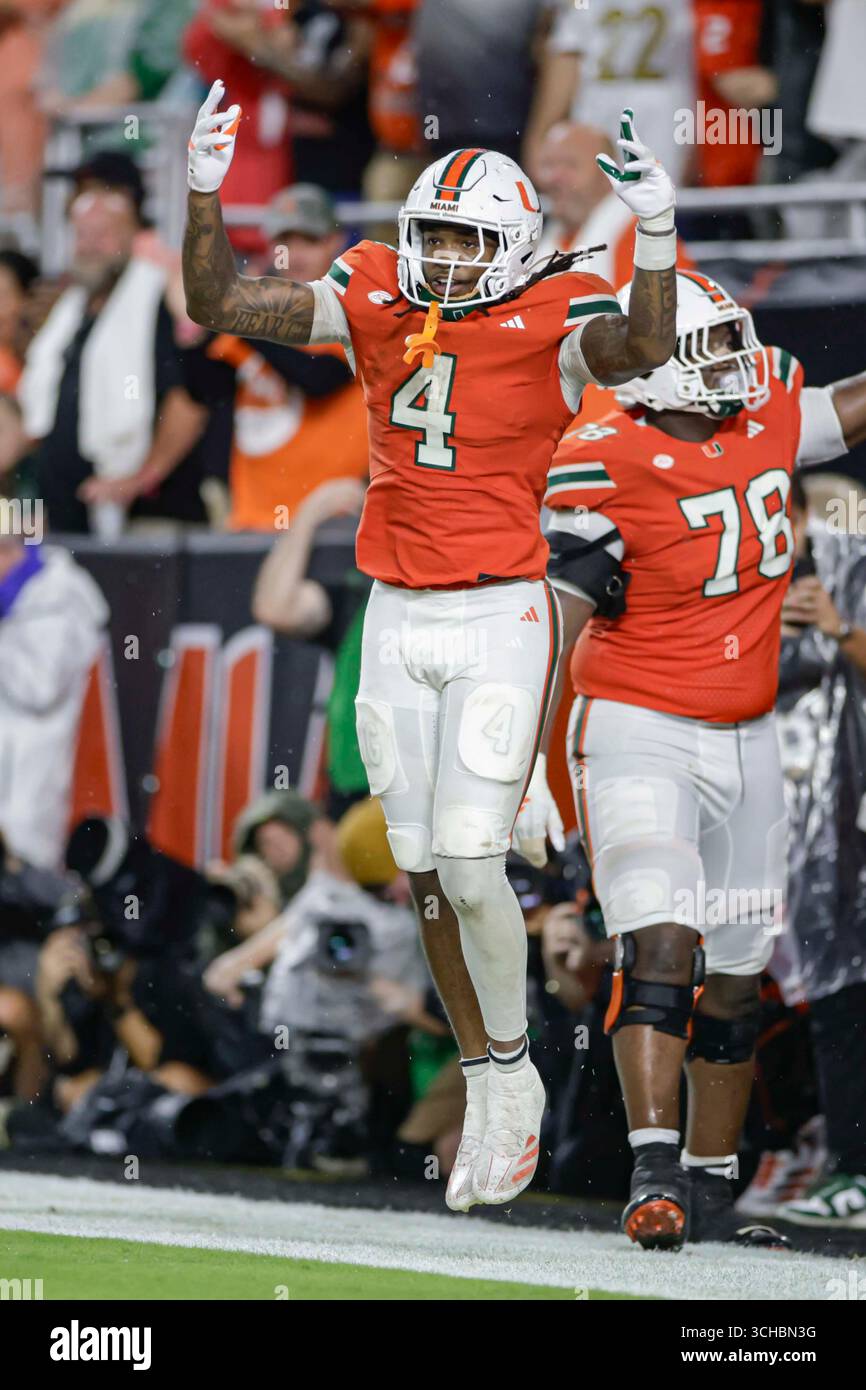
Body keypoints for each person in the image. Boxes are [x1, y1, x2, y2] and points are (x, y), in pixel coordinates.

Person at [183, 85, 678, 1211]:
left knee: (465, 857)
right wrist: (206, 192)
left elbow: (640, 345)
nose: (446, 259)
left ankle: (511, 1081)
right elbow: (217, 296)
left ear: (513, 249)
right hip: (393, 609)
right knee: (418, 870)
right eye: (434, 237)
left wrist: (650, 236)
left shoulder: (555, 306)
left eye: (467, 241)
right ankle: (485, 1064)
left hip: (498, 602)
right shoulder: (368, 287)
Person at [541, 268, 866, 1249]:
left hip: (748, 732)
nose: (735, 363)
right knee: (660, 945)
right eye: (709, 347)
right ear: (647, 370)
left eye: (735, 340)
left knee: (733, 971)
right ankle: (652, 1172)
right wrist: (514, 769)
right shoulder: (600, 457)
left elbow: (843, 414)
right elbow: (549, 630)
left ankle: (713, 1190)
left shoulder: (762, 411)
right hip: (637, 727)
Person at [18, 154, 209, 535]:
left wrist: (139, 480)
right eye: (81, 235)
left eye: (102, 235)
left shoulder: (160, 293)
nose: (88, 247)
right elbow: (33, 411)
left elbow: (191, 398)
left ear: (133, 231)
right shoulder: (73, 308)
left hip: (147, 519)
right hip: (67, 520)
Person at [203, 185, 368, 533]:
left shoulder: (356, 306)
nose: (294, 254)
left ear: (334, 241)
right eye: (285, 243)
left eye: (308, 240)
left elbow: (318, 378)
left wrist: (237, 314)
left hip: (329, 521)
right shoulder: (253, 317)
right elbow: (202, 393)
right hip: (250, 518)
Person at [252, 476, 371, 819]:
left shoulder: (453, 592)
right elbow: (274, 606)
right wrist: (308, 515)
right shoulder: (357, 595)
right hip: (361, 789)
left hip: (430, 784)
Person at [0, 519, 108, 873]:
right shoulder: (13, 602)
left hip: (35, 786)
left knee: (26, 889)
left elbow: (39, 688)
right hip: (10, 772)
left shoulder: (57, 595)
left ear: (9, 550)